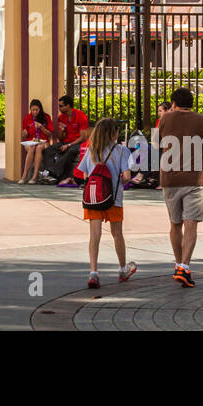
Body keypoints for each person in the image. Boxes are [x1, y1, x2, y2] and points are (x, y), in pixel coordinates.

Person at [157, 86, 203, 288]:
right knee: (191, 223)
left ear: (173, 103)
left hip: (170, 178)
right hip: (194, 179)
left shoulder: (165, 119)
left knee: (175, 224)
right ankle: (185, 266)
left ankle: (178, 264)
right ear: (192, 103)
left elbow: (157, 144)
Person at [79, 118, 136, 288]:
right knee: (117, 234)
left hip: (94, 198)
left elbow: (84, 176)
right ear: (114, 133)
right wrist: (121, 181)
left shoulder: (91, 150)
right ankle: (122, 269)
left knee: (94, 235)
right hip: (113, 199)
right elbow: (126, 177)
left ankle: (94, 273)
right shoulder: (122, 151)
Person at [38, 95, 88, 183]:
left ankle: (51, 174)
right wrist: (61, 131)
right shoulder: (61, 117)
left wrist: (68, 145)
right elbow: (61, 138)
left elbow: (83, 137)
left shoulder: (80, 115)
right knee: (49, 150)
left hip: (77, 143)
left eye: (61, 106)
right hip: (65, 142)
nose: (59, 108)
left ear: (68, 106)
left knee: (70, 151)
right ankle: (50, 174)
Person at [17, 99, 55, 183]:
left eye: (36, 110)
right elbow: (23, 136)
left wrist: (42, 127)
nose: (34, 112)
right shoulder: (27, 118)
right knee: (32, 147)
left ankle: (34, 177)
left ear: (40, 109)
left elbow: (50, 134)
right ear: (30, 109)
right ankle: (24, 175)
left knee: (39, 148)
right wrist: (24, 133)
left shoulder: (46, 117)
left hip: (44, 142)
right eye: (33, 110)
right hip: (31, 142)